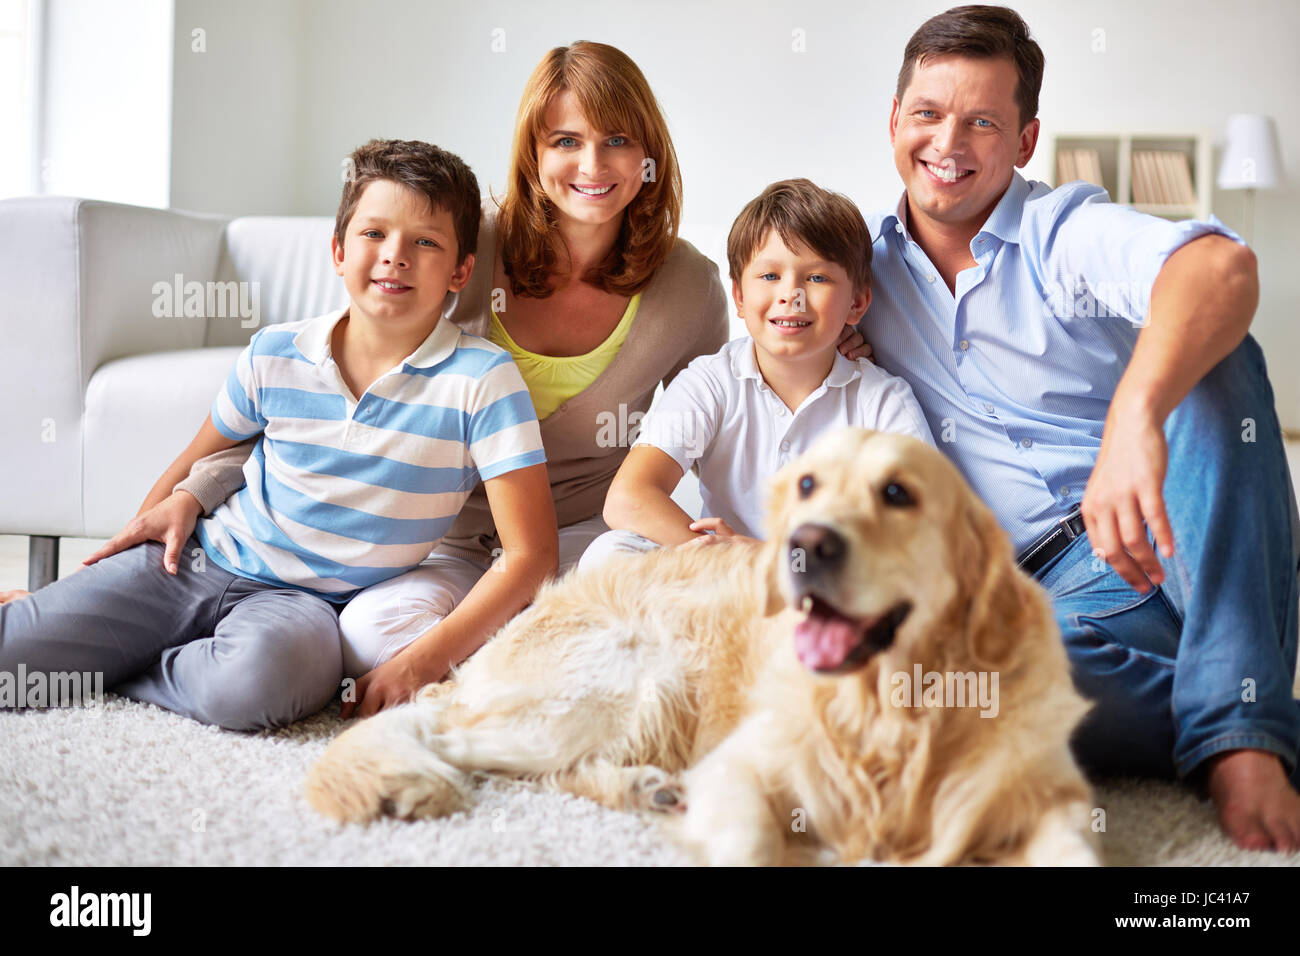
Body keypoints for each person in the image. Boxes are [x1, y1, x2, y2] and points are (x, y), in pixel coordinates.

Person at [75, 41, 873, 719]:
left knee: (620, 628)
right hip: (445, 537)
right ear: (533, 152)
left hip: (579, 536)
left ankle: (527, 675)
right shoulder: (463, 248)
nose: (590, 166)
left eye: (616, 141)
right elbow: (327, 386)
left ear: (648, 157)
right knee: (368, 640)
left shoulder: (690, 288)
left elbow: (730, 397)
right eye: (564, 140)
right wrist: (197, 488)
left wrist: (838, 345)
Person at [860, 4, 1300, 851]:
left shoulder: (1062, 230)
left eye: (982, 121)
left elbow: (1222, 266)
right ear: (895, 121)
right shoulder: (862, 274)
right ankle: (1239, 704)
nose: (948, 141)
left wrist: (1134, 420)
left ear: (1024, 141)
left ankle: (1242, 742)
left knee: (1218, 355)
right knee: (952, 677)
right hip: (1044, 605)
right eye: (928, 113)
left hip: (1169, 533)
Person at [0, 139, 556, 731]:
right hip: (194, 560)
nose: (395, 256)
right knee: (15, 663)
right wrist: (134, 544)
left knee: (260, 685)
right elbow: (196, 460)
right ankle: (66, 628)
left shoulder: (483, 380)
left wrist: (421, 663)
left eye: (425, 242)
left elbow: (531, 555)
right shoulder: (275, 351)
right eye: (374, 234)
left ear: (460, 271)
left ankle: (128, 669)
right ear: (339, 251)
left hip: (303, 607)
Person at [582, 178, 932, 567]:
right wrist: (728, 563)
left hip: (828, 585)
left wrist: (771, 562)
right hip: (721, 580)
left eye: (817, 278)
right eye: (769, 276)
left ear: (857, 302)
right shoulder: (712, 381)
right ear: (740, 298)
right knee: (609, 553)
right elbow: (629, 497)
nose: (791, 295)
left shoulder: (883, 400)